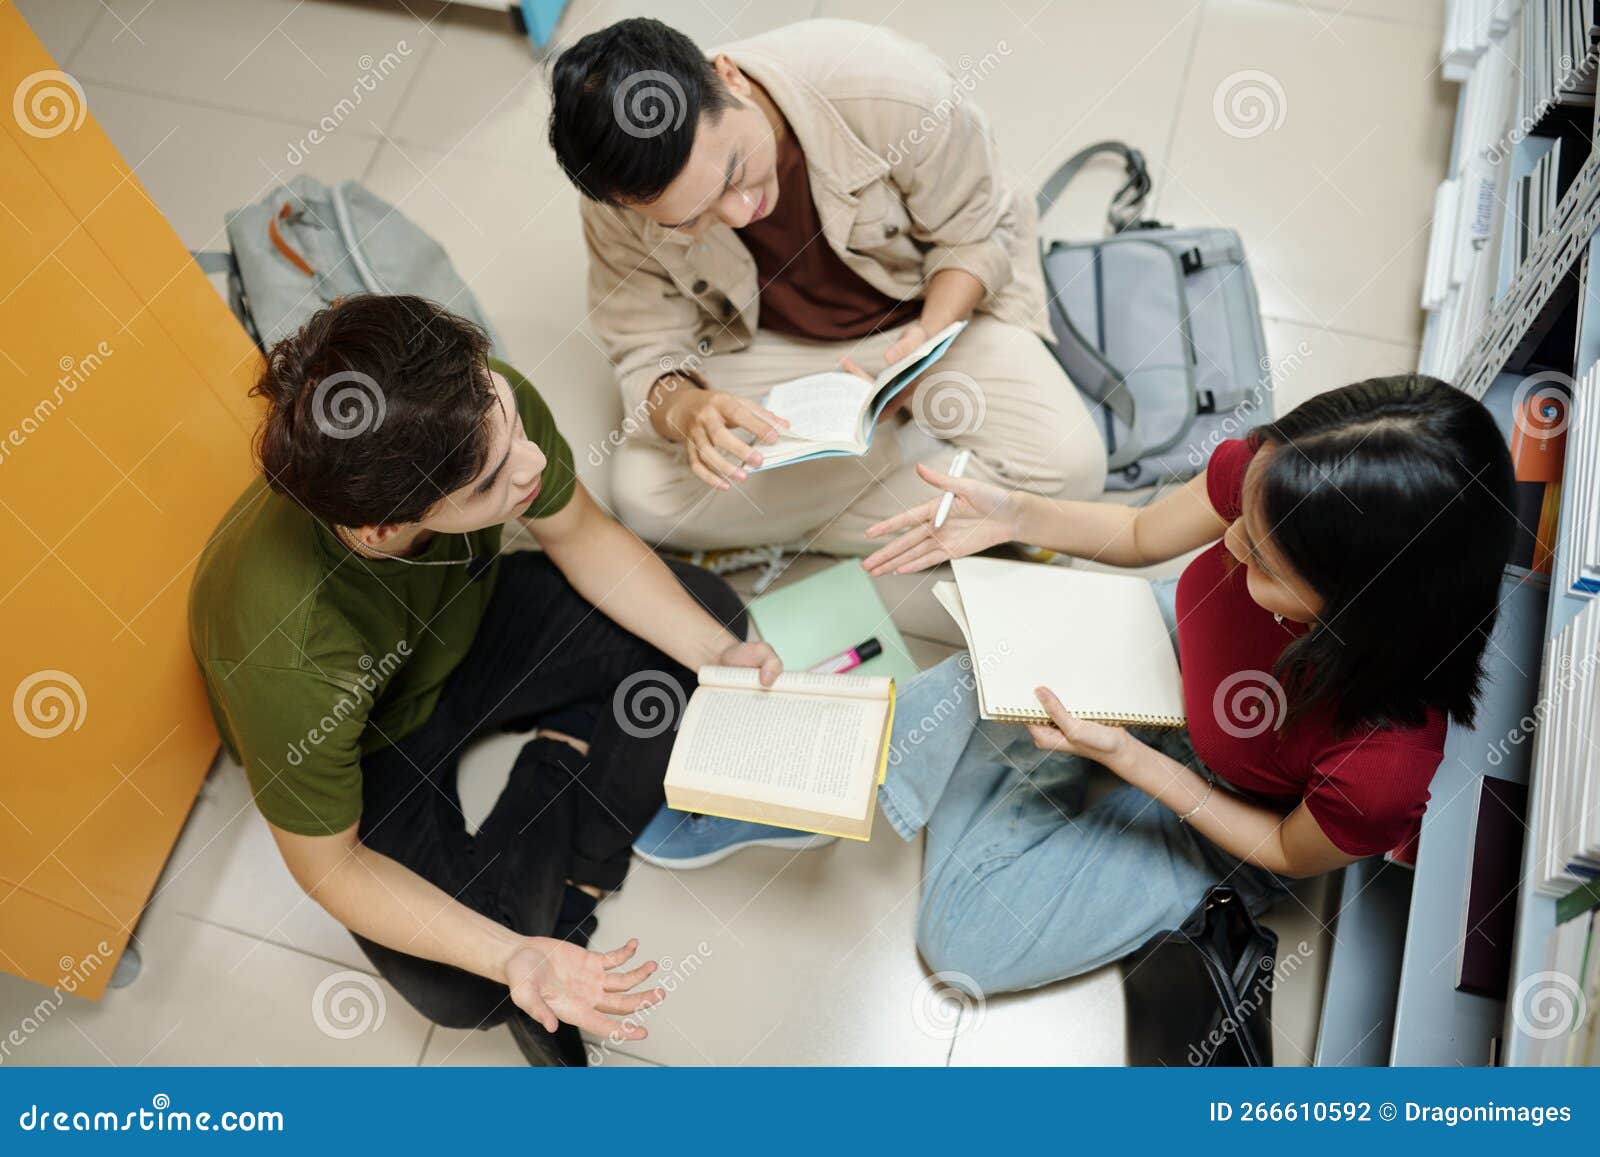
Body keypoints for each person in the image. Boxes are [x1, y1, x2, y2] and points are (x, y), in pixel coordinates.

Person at [187, 294, 810, 1065]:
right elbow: (329, 865)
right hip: (371, 743)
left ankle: (566, 894)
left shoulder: (476, 408)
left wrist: (718, 654)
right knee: (470, 990)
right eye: (489, 485)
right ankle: (558, 833)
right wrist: (509, 958)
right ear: (379, 529)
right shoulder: (285, 650)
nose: (534, 465)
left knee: (705, 620)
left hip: (467, 626)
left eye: (511, 420)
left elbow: (581, 533)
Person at [856, 374, 1515, 993]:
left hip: (1227, 807)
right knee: (949, 691)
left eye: (1260, 557)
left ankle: (1032, 764)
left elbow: (1285, 848)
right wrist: (1018, 514)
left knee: (963, 943)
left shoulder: (1384, 767)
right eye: (1241, 517)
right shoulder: (1277, 478)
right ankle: (849, 766)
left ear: (1354, 607)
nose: (1227, 540)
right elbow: (1143, 531)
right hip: (1173, 645)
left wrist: (1126, 758)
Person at [547, 17, 1105, 556]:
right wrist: (690, 410)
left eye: (734, 173)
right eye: (691, 218)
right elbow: (646, 348)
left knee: (1073, 467)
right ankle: (925, 480)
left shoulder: (887, 85)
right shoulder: (622, 205)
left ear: (729, 76)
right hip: (777, 348)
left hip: (931, 316)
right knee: (646, 499)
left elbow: (977, 233)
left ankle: (851, 481)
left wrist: (924, 348)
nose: (741, 214)